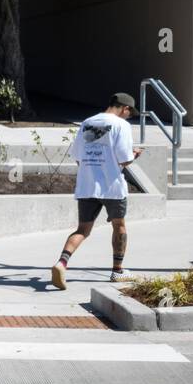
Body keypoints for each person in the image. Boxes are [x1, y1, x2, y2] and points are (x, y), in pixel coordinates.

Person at [51, 92, 143, 289]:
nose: (129, 116)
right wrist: (135, 154)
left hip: (87, 184)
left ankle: (61, 262)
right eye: (129, 112)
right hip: (112, 186)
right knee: (119, 226)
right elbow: (124, 159)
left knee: (82, 230)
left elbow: (77, 156)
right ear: (124, 108)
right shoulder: (121, 125)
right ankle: (117, 271)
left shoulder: (87, 122)